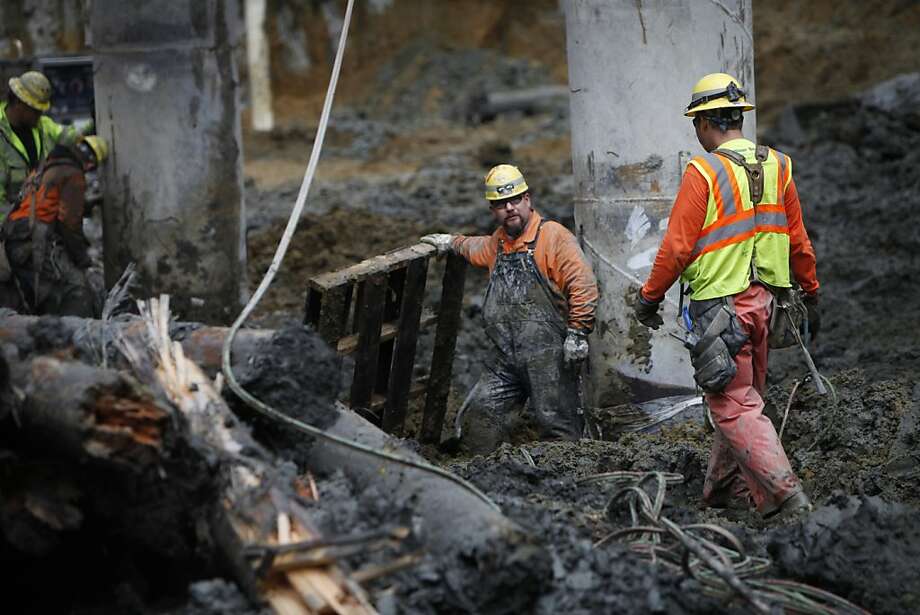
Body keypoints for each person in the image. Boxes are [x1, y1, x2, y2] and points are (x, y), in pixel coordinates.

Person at [634, 73, 819, 518]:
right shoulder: (778, 164)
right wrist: (811, 290)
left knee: (734, 405)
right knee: (740, 396)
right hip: (766, 307)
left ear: (703, 123)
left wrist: (649, 298)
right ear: (738, 117)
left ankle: (787, 498)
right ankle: (723, 494)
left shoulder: (706, 171)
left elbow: (677, 246)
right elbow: (798, 240)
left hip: (721, 308)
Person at [421, 164, 598, 452]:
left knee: (557, 424)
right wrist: (451, 243)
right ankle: (482, 473)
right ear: (493, 210)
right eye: (502, 204)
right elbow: (475, 248)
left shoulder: (553, 237)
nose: (510, 208)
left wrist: (578, 332)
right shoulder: (499, 243)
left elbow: (583, 284)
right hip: (506, 358)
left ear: (527, 199)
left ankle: (567, 477)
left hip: (548, 357)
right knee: (481, 414)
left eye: (515, 200)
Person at [2, 135, 108, 317]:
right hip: (32, 241)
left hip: (12, 237)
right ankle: (71, 338)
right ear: (91, 164)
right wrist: (82, 258)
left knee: (39, 293)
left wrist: (85, 205)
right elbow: (68, 223)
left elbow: (42, 203)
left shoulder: (47, 165)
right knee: (76, 288)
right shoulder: (74, 174)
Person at [0, 70, 82, 214]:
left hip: (41, 217)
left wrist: (91, 129)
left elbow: (69, 135)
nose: (40, 115)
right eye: (35, 110)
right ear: (19, 102)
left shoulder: (42, 126)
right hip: (12, 226)